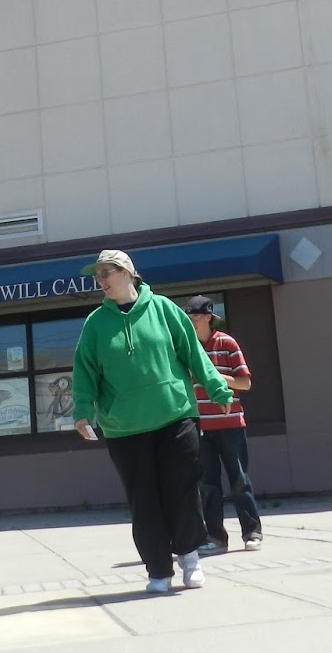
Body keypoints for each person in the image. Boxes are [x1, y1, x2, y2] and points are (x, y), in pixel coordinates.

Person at [71, 250, 235, 594]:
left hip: (175, 416)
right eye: (98, 275)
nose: (101, 280)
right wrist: (82, 410)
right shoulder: (95, 324)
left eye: (107, 272)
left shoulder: (164, 309)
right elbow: (85, 370)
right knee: (144, 501)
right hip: (124, 427)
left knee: (182, 490)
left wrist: (218, 389)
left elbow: (193, 353)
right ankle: (158, 570)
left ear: (128, 273)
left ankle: (189, 557)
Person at [184, 295, 264, 553]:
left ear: (209, 317)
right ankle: (215, 537)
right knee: (207, 485)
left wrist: (215, 377)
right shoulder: (186, 348)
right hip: (200, 427)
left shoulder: (227, 343)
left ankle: (252, 533)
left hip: (230, 424)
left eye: (196, 317)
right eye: (189, 318)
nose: (192, 322)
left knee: (239, 480)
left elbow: (245, 383)